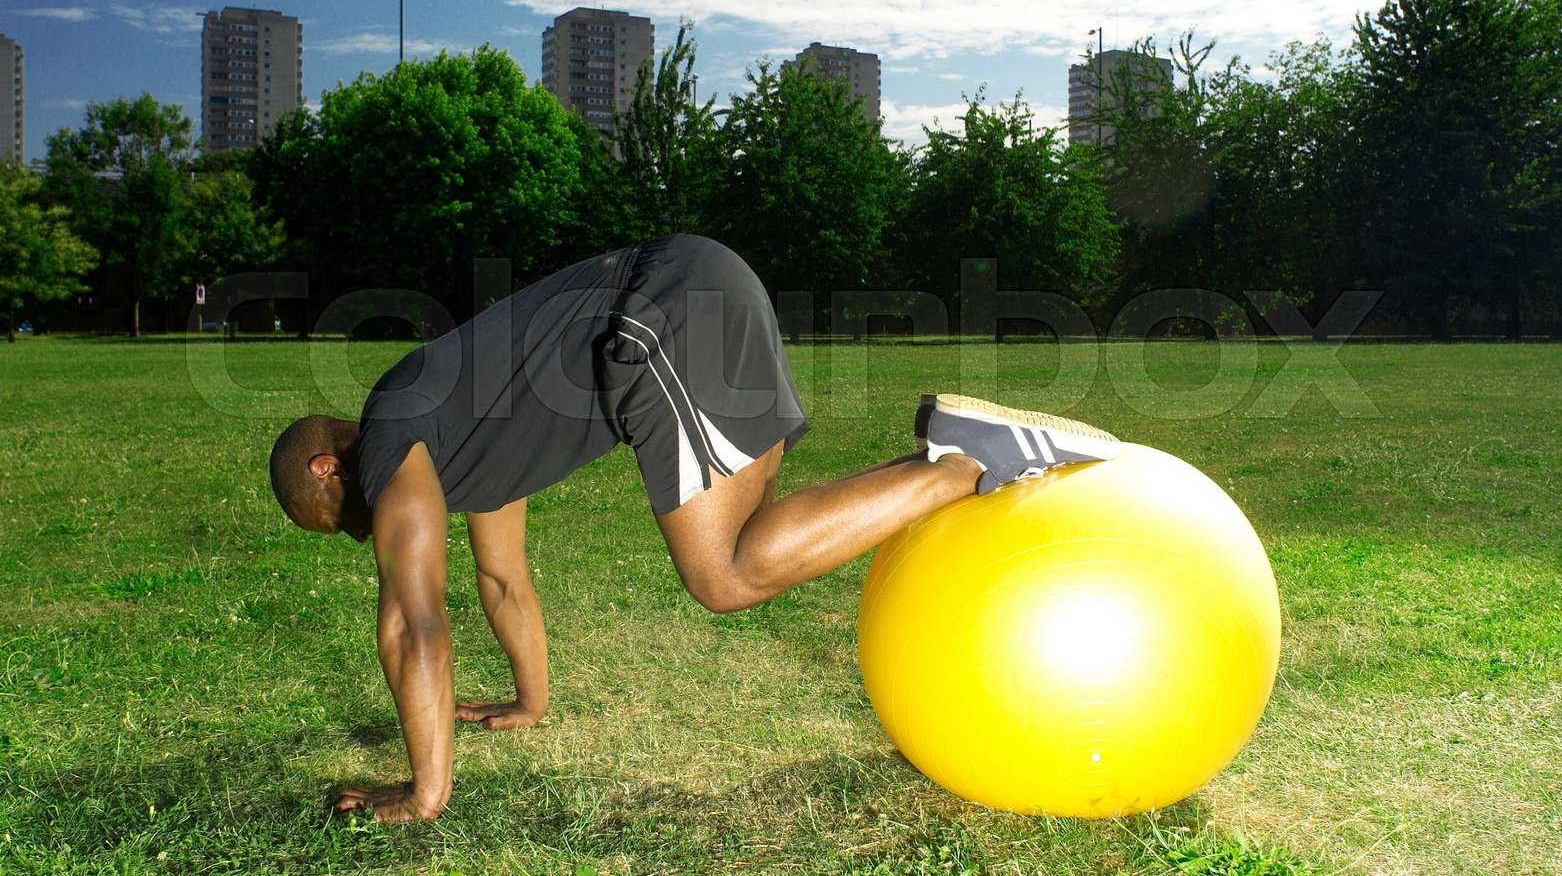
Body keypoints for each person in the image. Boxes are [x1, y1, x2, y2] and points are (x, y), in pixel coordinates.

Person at [269, 233, 1119, 822]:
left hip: (663, 312)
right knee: (752, 536)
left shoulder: (392, 434)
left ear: (328, 469)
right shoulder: (454, 436)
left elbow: (413, 618)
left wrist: (424, 792)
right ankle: (954, 458)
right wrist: (531, 700)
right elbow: (502, 578)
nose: (365, 532)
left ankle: (967, 464)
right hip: (695, 287)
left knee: (724, 571)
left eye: (342, 520)